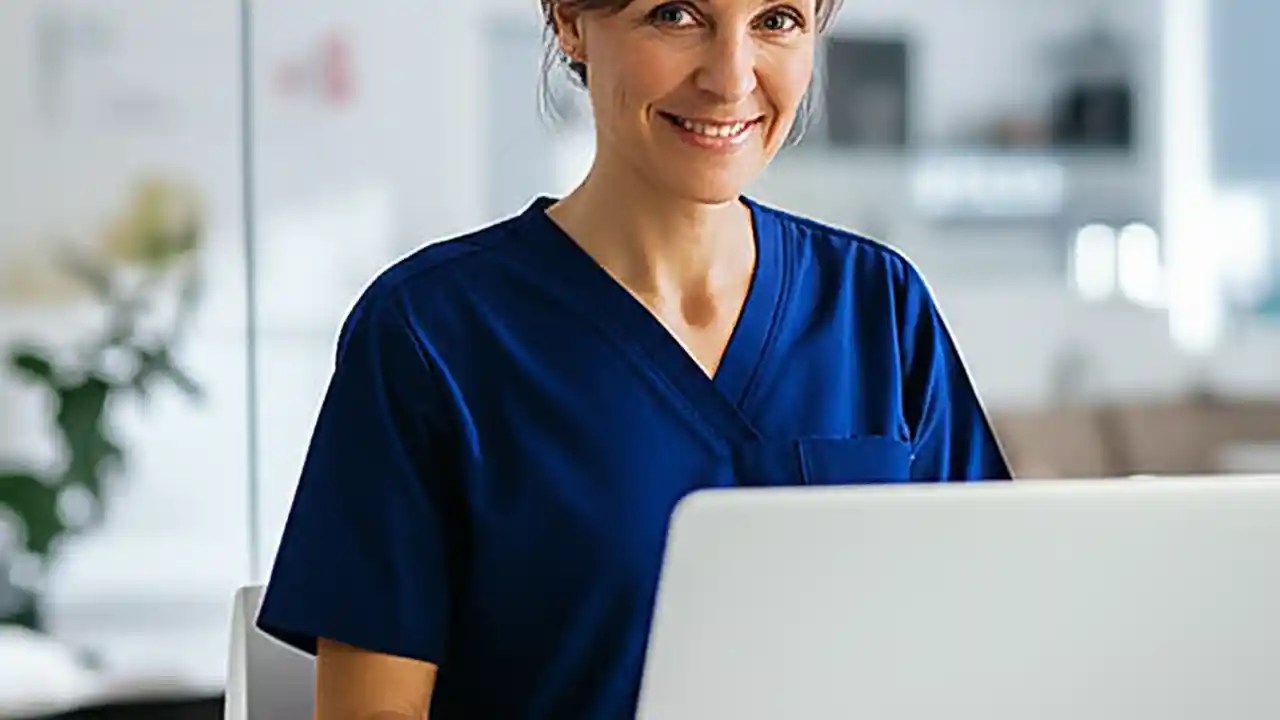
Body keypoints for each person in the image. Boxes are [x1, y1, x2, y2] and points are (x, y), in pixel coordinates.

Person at [256, 0, 1011, 717]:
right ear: (570, 22)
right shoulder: (431, 334)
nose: (732, 76)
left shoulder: (878, 306)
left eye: (777, 20)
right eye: (676, 15)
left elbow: (993, 641)